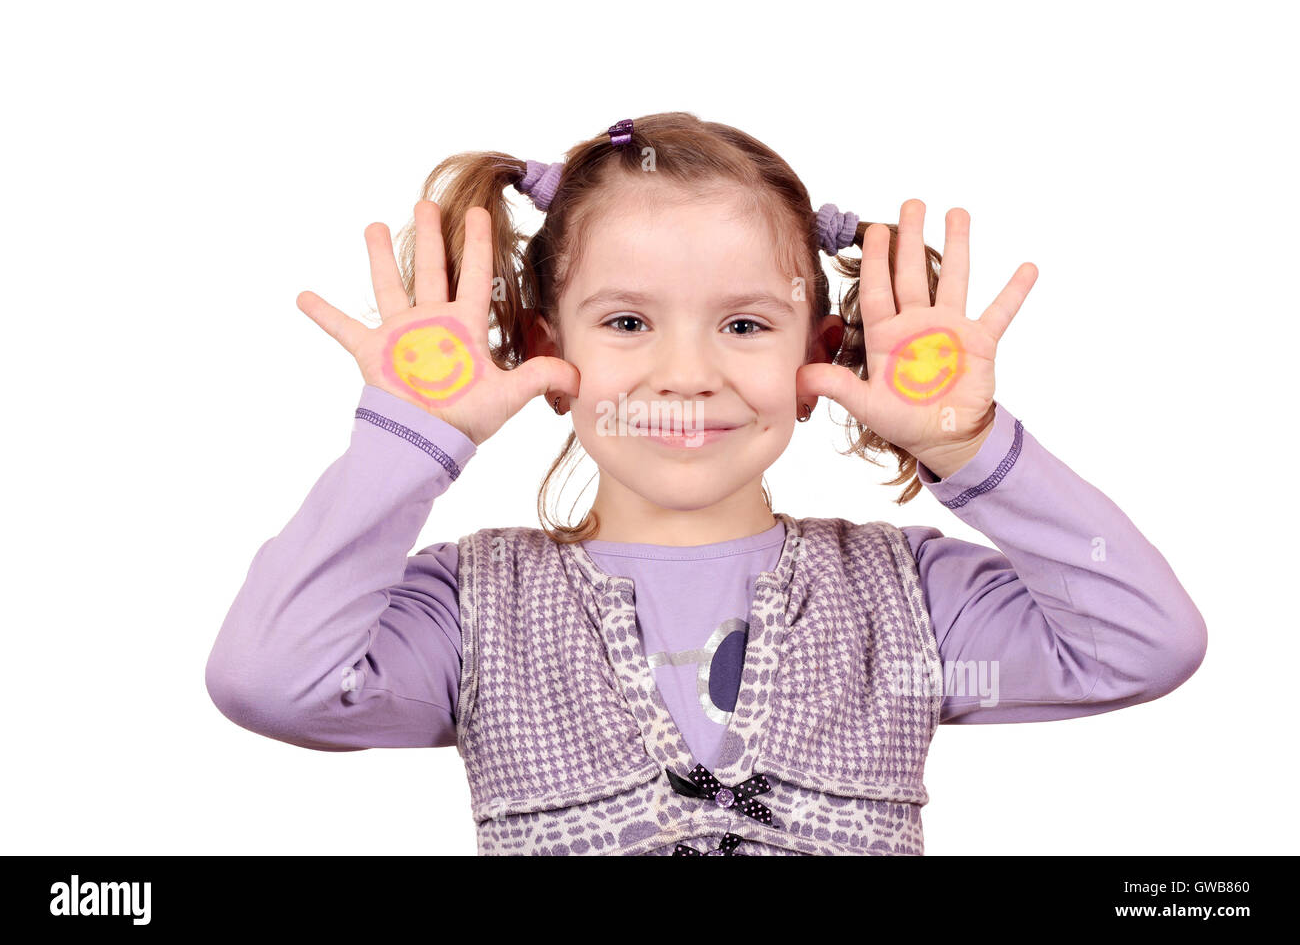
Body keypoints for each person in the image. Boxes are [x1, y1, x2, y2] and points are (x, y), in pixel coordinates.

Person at [205, 112, 1207, 856]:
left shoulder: (910, 606)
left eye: (743, 324)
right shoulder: (471, 616)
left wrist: (968, 440)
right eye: (628, 322)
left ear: (819, 357)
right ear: (549, 356)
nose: (686, 372)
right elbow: (272, 680)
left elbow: (1142, 640)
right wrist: (409, 440)